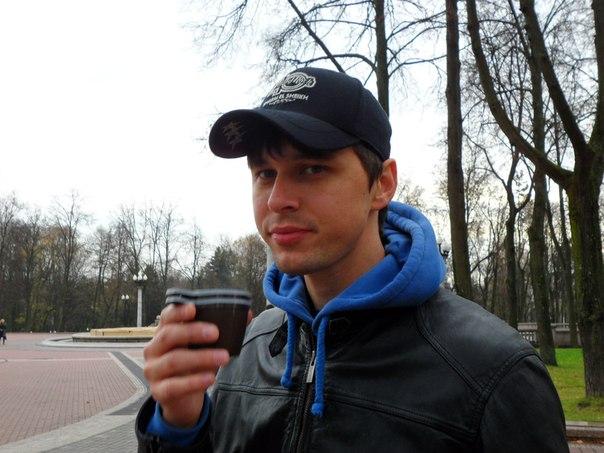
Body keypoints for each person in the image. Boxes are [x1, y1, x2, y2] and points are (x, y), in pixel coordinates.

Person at [136, 67, 569, 452]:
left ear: (382, 184)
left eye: (311, 169)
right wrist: (179, 426)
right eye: (265, 174)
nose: (277, 199)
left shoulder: (494, 373)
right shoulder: (247, 350)